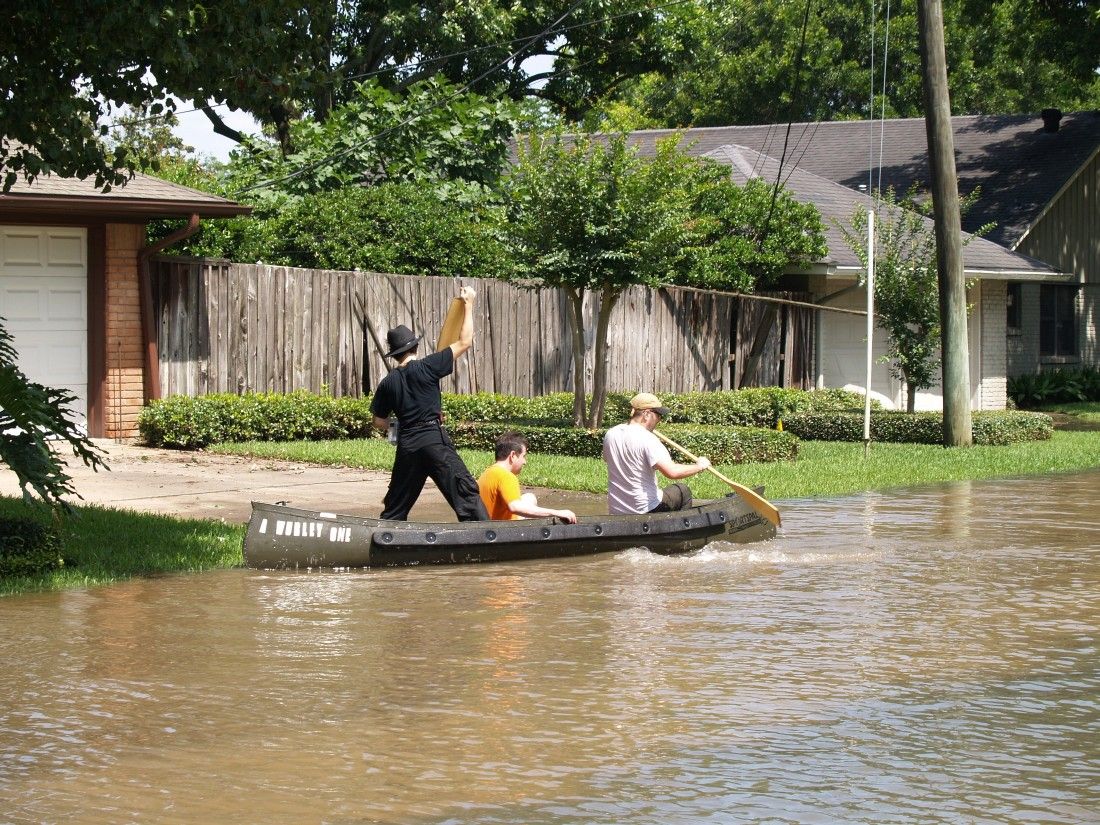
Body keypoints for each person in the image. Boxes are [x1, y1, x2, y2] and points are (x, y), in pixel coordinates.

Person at [370, 286, 489, 521]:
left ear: (394, 355)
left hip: (408, 445)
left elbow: (378, 422)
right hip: (434, 440)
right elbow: (465, 342)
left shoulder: (388, 383)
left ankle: (384, 539)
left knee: (395, 505)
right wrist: (469, 304)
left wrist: (399, 424)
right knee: (465, 493)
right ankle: (485, 536)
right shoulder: (429, 366)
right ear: (415, 347)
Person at [602, 392, 712, 515]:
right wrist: (699, 466)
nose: (659, 419)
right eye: (658, 415)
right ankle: (681, 531)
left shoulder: (611, 434)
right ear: (646, 414)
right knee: (683, 491)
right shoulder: (648, 439)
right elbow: (672, 472)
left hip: (617, 510)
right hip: (645, 509)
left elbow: (608, 459)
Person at [478, 432, 578, 523]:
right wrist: (556, 512)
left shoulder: (487, 473)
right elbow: (515, 507)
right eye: (523, 456)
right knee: (529, 503)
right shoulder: (506, 476)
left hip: (488, 524)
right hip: (504, 530)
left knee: (530, 497)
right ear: (513, 455)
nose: (525, 462)